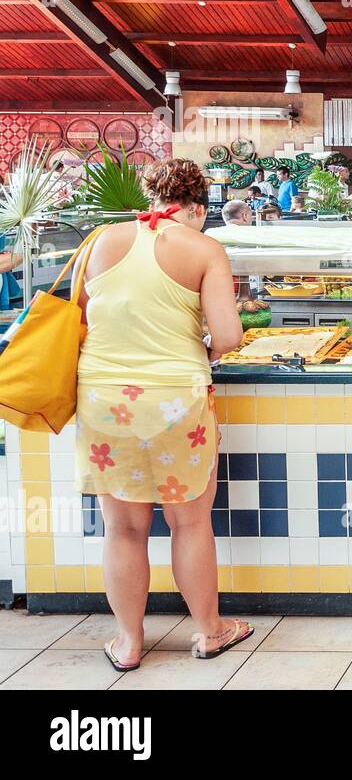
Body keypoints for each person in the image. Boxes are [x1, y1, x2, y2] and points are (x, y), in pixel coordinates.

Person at [75, 158, 249, 671]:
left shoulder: (101, 241)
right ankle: (210, 632)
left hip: (105, 398)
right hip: (176, 398)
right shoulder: (203, 247)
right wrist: (202, 346)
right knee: (190, 522)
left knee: (123, 529)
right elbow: (231, 336)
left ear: (151, 198)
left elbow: (85, 317)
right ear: (197, 207)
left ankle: (129, 643)